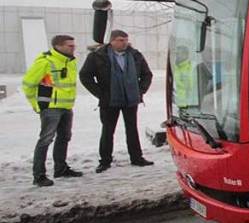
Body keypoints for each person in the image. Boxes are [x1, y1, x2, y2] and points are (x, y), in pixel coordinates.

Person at [80, 29, 154, 172]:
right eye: (120, 40)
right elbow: (85, 76)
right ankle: (105, 161)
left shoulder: (135, 55)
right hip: (110, 100)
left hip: (131, 98)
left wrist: (140, 91)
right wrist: (100, 94)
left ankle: (137, 158)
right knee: (108, 130)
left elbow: (147, 74)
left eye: (126, 40)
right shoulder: (98, 56)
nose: (124, 42)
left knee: (132, 129)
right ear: (112, 41)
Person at [22, 34, 82, 186]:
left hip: (66, 107)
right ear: (58, 46)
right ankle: (39, 175)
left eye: (73, 45)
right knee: (45, 140)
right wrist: (36, 105)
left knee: (64, 137)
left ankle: (60, 169)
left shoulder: (70, 62)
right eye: (70, 45)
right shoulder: (45, 62)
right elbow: (28, 84)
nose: (73, 48)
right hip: (50, 108)